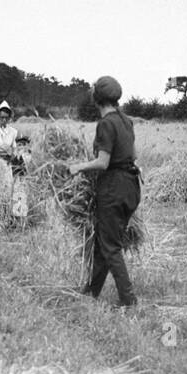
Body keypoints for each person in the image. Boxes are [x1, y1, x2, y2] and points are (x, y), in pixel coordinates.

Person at [68, 76, 141, 307]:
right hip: (131, 186)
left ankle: (128, 301)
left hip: (113, 188)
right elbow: (134, 155)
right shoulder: (126, 121)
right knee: (104, 242)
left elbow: (102, 162)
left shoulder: (106, 123)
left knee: (110, 247)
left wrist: (78, 167)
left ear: (96, 98)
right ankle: (92, 292)